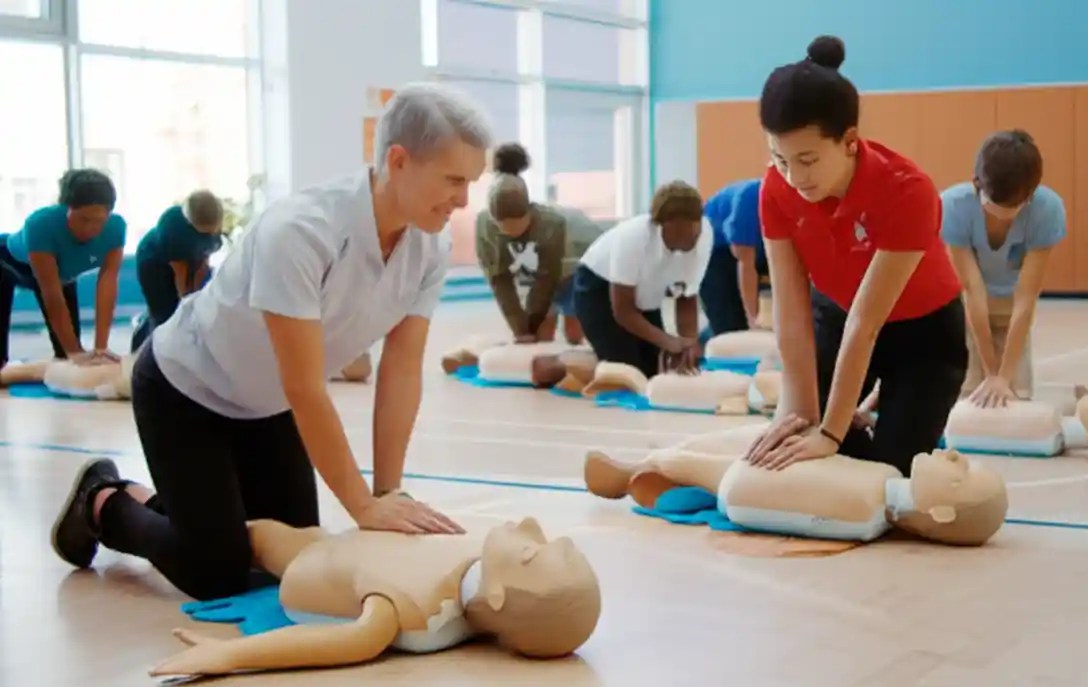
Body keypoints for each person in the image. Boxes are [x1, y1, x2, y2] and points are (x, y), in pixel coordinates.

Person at [49, 82, 489, 601]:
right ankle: (106, 500)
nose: (463, 201)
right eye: (454, 180)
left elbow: (401, 369)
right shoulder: (300, 231)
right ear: (398, 161)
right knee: (217, 573)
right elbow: (304, 387)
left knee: (292, 563)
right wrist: (362, 509)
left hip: (264, 406)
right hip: (184, 391)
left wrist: (387, 494)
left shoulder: (430, 245)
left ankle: (205, 519)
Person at [743, 35, 966, 477]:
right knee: (799, 454)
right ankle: (853, 423)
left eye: (807, 159)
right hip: (838, 314)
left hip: (922, 334)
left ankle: (903, 423)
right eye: (780, 159)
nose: (793, 176)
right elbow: (790, 312)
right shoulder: (776, 189)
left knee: (887, 473)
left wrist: (829, 433)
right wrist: (805, 418)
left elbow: (866, 325)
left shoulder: (908, 191)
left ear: (848, 141)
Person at [941, 130, 1066, 408]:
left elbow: (1026, 297)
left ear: (1031, 194)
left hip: (1012, 307)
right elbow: (971, 290)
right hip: (967, 308)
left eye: (1014, 207)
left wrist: (1004, 376)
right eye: (993, 204)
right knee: (969, 392)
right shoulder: (953, 206)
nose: (1004, 215)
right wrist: (989, 372)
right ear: (977, 184)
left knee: (1015, 394)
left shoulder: (1047, 210)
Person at [571, 180, 712, 377]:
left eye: (694, 230)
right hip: (598, 289)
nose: (692, 237)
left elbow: (686, 296)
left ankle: (605, 356)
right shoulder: (633, 238)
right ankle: (563, 362)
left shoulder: (704, 235)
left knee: (653, 372)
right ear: (664, 225)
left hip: (645, 294)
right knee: (628, 373)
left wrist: (688, 343)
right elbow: (623, 311)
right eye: (684, 231)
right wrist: (667, 340)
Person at [474, 142, 601, 345]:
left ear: (530, 212)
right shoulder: (485, 227)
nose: (512, 234)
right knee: (540, 336)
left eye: (518, 228)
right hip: (535, 273)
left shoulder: (552, 224)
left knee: (573, 332)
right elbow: (500, 280)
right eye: (504, 229)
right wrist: (521, 329)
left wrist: (531, 322)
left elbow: (547, 277)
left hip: (574, 268)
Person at [0, 168, 125, 368]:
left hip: (62, 275)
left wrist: (101, 349)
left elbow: (107, 282)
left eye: (99, 221)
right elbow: (51, 293)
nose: (90, 228)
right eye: (83, 219)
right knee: (72, 353)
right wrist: (74, 352)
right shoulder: (41, 224)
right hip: (9, 261)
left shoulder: (116, 228)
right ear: (66, 209)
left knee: (67, 356)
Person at [130, 190, 225, 351]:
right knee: (166, 314)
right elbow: (179, 271)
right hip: (155, 264)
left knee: (196, 309)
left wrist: (196, 296)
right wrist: (185, 303)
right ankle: (147, 350)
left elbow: (203, 261)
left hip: (189, 259)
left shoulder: (213, 219)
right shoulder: (173, 224)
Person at [697, 178, 769, 341]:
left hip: (759, 247)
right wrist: (753, 320)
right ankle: (704, 343)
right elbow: (746, 266)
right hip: (716, 250)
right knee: (731, 326)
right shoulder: (748, 200)